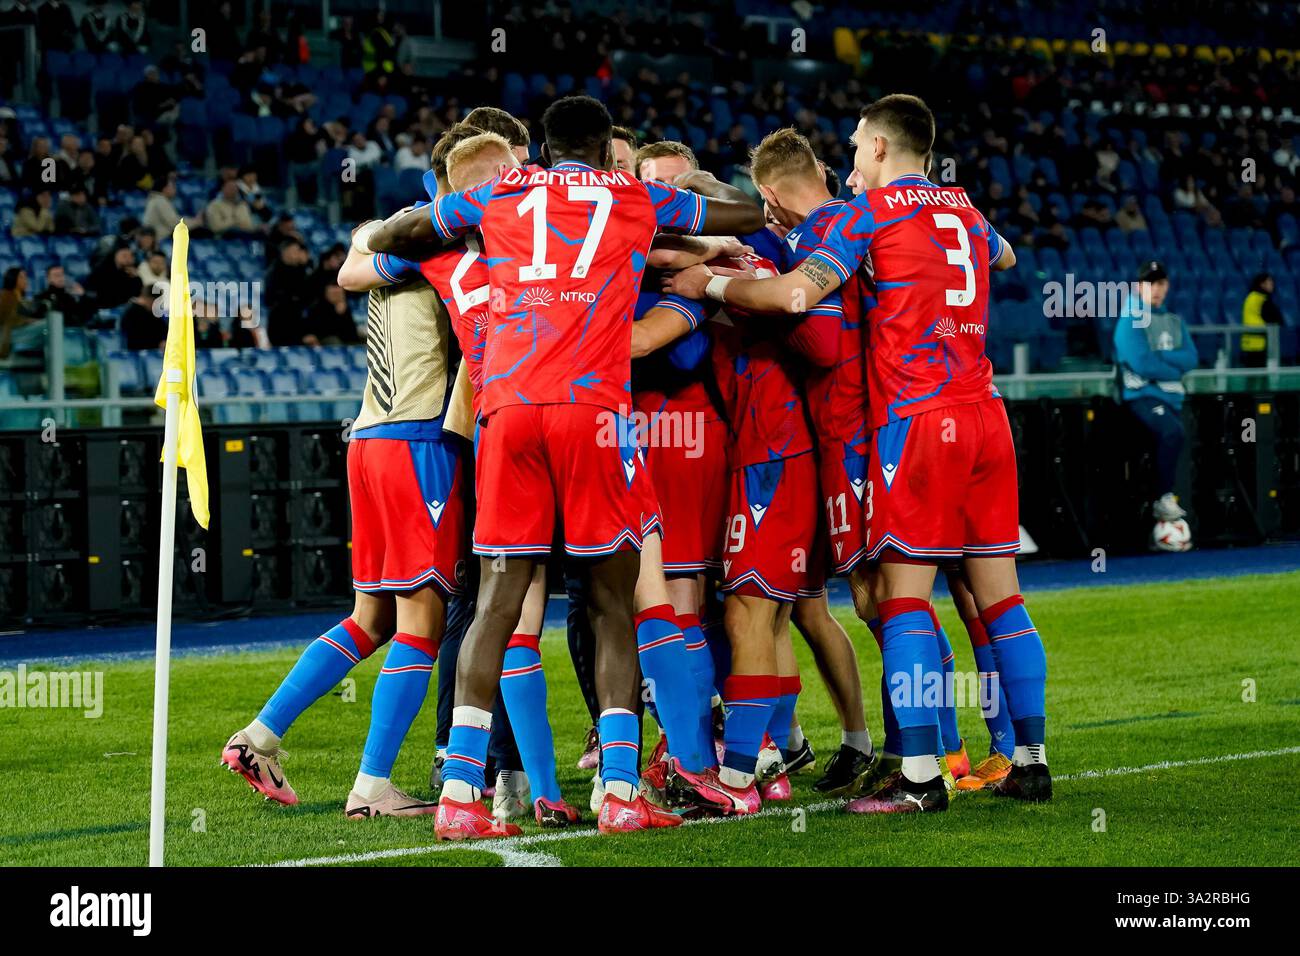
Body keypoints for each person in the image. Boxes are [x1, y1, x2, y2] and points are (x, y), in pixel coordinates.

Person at [364, 94, 764, 837]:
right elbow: (744, 215)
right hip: (594, 409)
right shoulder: (633, 193)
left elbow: (400, 233)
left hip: (508, 409)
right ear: (602, 147)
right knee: (613, 601)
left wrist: (462, 225)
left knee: (497, 602)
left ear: (543, 148)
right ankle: (619, 790)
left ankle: (459, 797)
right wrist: (695, 216)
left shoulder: (503, 191)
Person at [667, 93, 1051, 812]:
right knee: (1000, 601)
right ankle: (1029, 758)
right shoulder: (964, 210)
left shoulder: (863, 216)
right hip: (987, 414)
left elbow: (792, 301)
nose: (847, 159)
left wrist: (708, 282)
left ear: (877, 147)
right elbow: (1006, 253)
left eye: (853, 145)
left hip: (915, 417)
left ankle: (919, 778)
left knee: (900, 601)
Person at [222, 222, 470, 818]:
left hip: (368, 440)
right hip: (419, 442)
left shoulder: (393, 236)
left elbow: (353, 259)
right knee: (421, 622)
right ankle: (373, 787)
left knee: (372, 618)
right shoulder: (448, 240)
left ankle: (259, 736)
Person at [1114, 260, 1197, 550]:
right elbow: (1141, 363)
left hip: (1172, 398)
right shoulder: (1130, 319)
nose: (1157, 289)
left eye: (1161, 283)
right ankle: (1163, 499)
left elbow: (1192, 358)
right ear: (1139, 287)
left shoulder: (1174, 321)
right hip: (1142, 399)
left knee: (1176, 440)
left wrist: (1163, 364)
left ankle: (1162, 509)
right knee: (1172, 434)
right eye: (1151, 283)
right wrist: (1171, 365)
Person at [1241, 272, 1283, 369]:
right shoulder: (1261, 299)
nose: (1272, 284)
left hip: (1249, 343)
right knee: (1260, 377)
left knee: (1251, 377)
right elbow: (1275, 318)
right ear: (1262, 284)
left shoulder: (1251, 297)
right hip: (1259, 343)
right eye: (1269, 282)